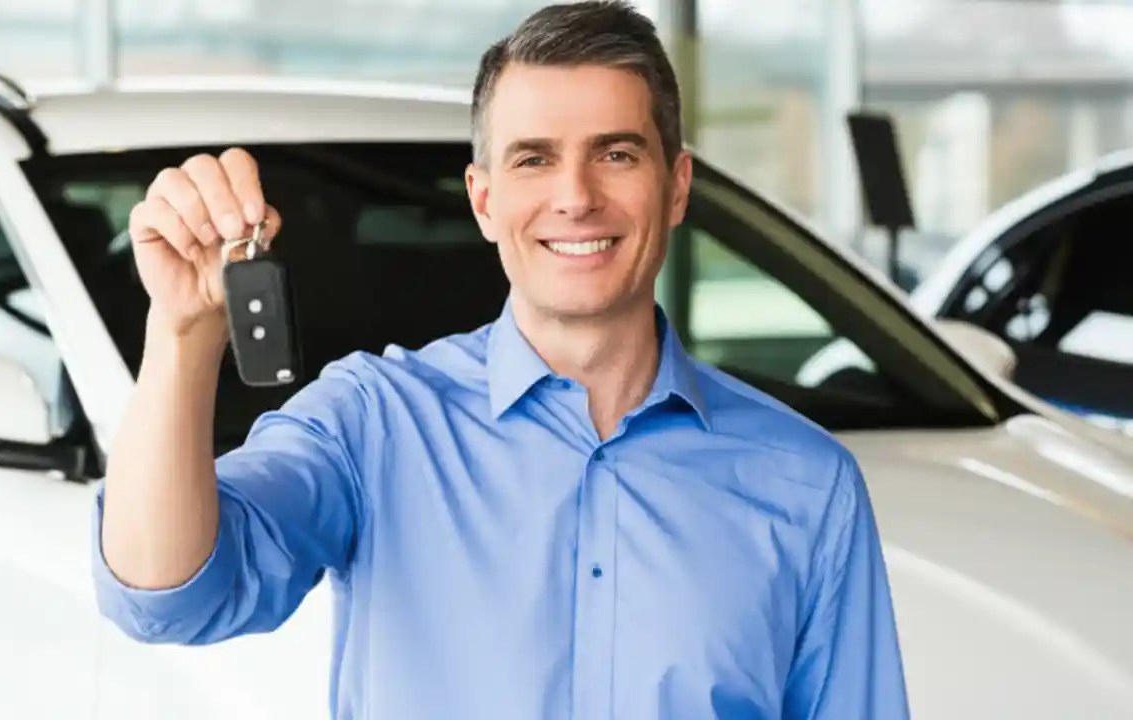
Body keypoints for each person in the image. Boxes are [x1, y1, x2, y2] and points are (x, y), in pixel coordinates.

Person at [92, 2, 911, 717]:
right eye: (534, 158)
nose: (576, 195)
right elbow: (165, 596)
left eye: (617, 153)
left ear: (677, 185)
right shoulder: (375, 423)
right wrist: (182, 334)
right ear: (484, 199)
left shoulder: (807, 484)